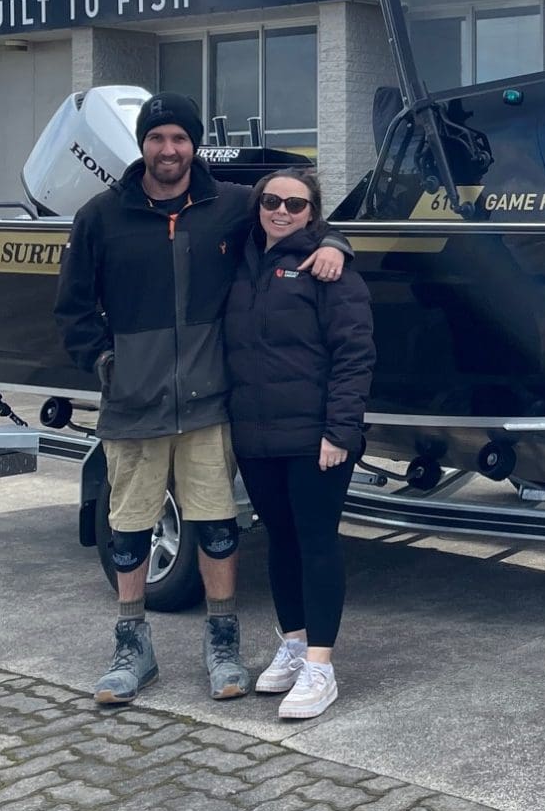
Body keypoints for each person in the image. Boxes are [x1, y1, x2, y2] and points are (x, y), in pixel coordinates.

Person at [55, 93, 349, 707]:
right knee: (129, 529)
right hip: (134, 405)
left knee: (217, 527)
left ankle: (223, 647)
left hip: (210, 403)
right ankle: (132, 649)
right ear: (142, 144)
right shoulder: (99, 217)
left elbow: (295, 215)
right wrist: (107, 365)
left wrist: (336, 245)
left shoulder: (233, 205)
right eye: (157, 138)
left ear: (194, 145)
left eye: (180, 139)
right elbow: (73, 310)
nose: (169, 150)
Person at [224, 168, 375, 719]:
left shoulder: (328, 268)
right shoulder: (238, 260)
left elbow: (355, 354)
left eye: (295, 204)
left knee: (316, 542)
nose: (281, 211)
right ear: (257, 206)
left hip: (315, 438)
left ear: (313, 213)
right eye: (271, 201)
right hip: (255, 434)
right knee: (280, 540)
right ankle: (292, 643)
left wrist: (340, 431)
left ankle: (320, 666)